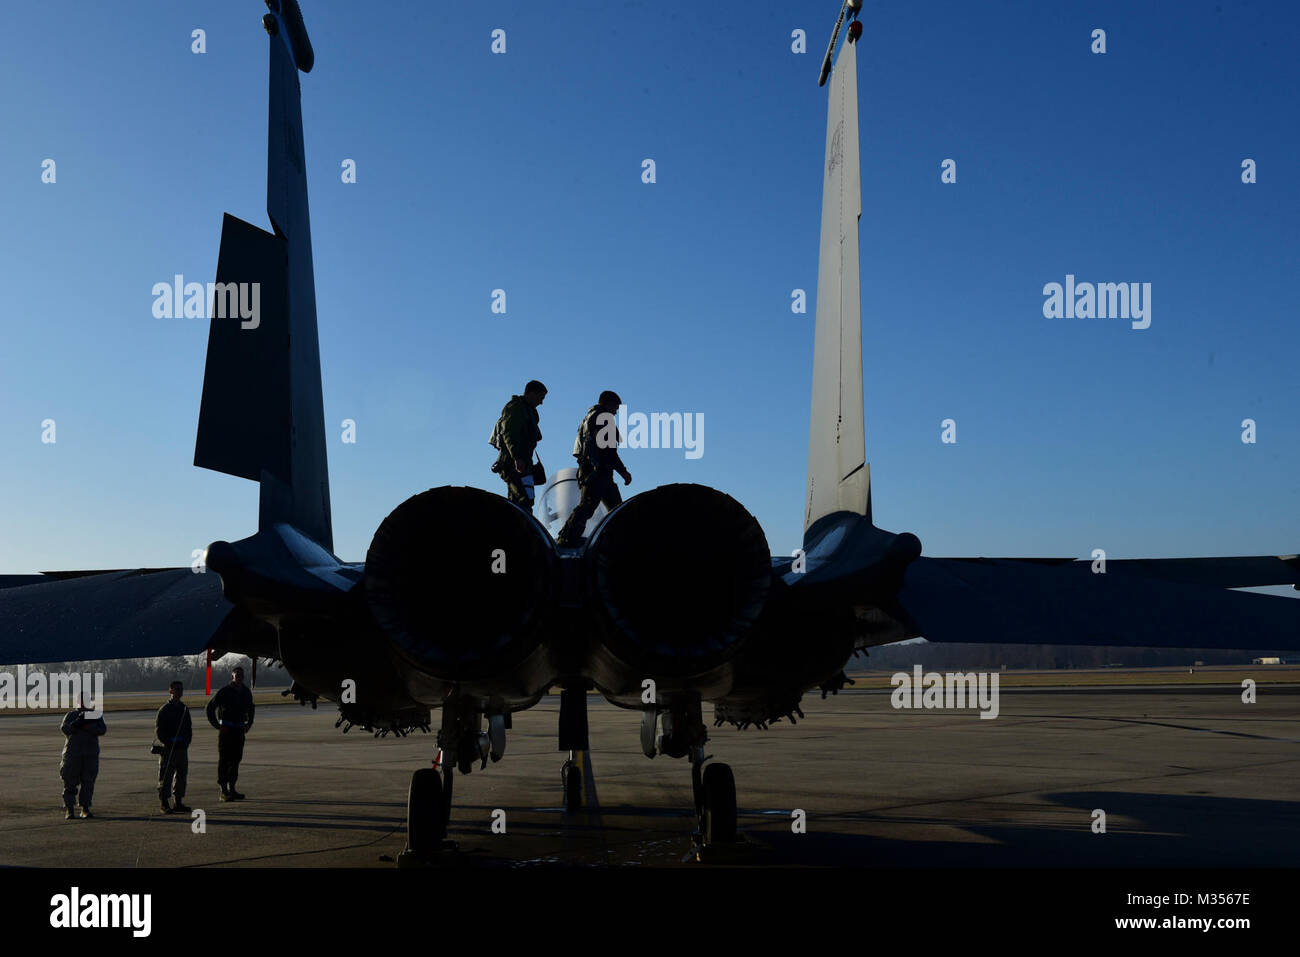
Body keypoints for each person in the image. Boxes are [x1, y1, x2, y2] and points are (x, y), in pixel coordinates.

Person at [555, 390, 632, 547]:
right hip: (598, 472)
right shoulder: (603, 418)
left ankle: (620, 541)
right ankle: (566, 539)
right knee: (590, 508)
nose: (616, 411)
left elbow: (578, 451)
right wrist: (623, 471)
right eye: (615, 407)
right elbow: (609, 450)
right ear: (606, 403)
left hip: (592, 471)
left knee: (615, 510)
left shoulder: (587, 418)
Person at [490, 380, 547, 508]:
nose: (541, 402)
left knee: (519, 502)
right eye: (540, 397)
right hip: (513, 463)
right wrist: (517, 458)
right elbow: (510, 433)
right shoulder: (516, 408)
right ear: (531, 393)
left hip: (522, 463)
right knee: (524, 500)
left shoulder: (529, 411)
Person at [206, 666, 255, 801]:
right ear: (232, 676)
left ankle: (232, 789)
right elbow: (210, 708)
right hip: (226, 731)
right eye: (236, 674)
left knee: (236, 760)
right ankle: (223, 790)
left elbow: (251, 708)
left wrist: (249, 723)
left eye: (241, 675)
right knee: (224, 760)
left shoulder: (246, 692)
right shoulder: (224, 691)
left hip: (239, 731)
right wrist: (217, 725)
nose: (239, 677)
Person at [59, 695, 107, 820]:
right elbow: (64, 729)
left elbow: (102, 730)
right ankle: (69, 809)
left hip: (90, 754)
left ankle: (85, 808)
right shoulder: (71, 715)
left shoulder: (95, 715)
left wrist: (88, 727)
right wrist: (76, 725)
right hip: (73, 754)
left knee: (88, 782)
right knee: (69, 781)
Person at [155, 680, 192, 814]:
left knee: (182, 776)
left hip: (182, 748)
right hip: (169, 748)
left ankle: (178, 802)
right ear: (170, 691)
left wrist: (186, 743)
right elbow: (159, 731)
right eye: (176, 689)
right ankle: (164, 803)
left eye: (181, 689)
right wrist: (169, 743)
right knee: (165, 777)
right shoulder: (164, 709)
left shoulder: (184, 709)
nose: (179, 692)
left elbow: (189, 729)